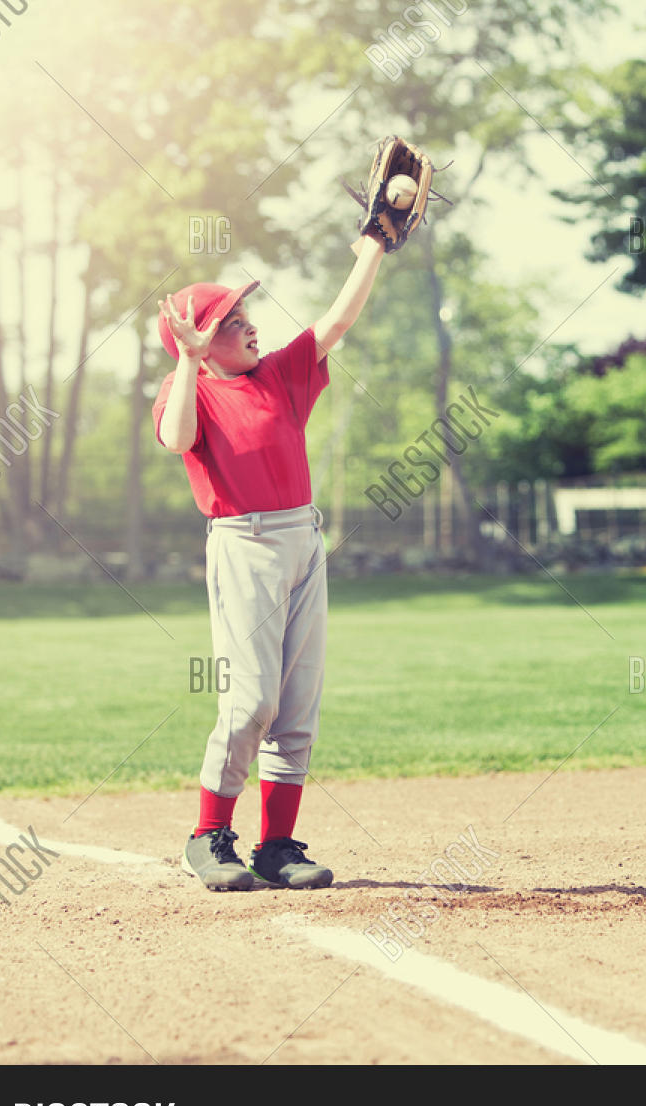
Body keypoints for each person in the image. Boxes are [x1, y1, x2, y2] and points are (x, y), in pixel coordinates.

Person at [154, 236, 387, 891]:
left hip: (302, 541)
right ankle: (208, 835)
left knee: (295, 703)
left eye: (245, 316)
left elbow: (337, 319)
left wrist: (373, 248)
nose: (250, 324)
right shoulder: (187, 389)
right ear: (197, 338)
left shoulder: (279, 376)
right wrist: (192, 363)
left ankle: (277, 847)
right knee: (250, 697)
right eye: (231, 321)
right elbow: (176, 440)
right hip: (244, 544)